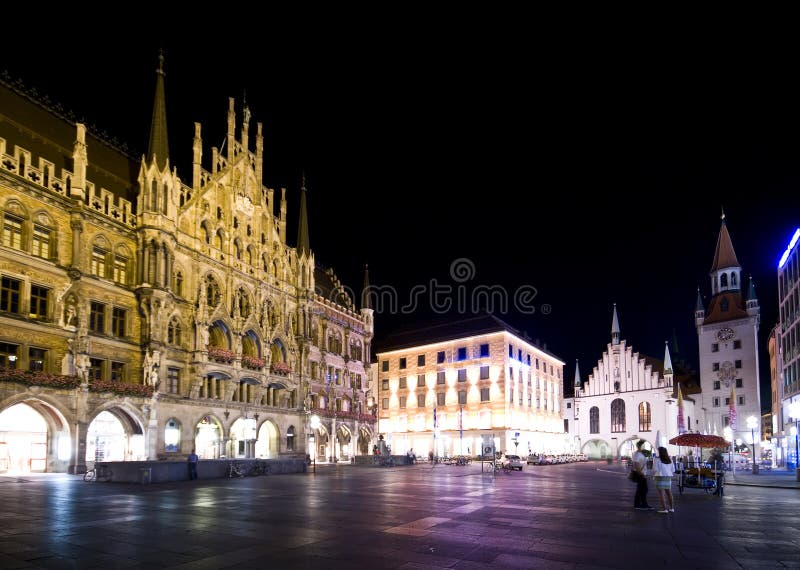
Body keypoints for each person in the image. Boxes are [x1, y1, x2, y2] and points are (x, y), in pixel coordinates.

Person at [631, 439, 654, 510]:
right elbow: (636, 465)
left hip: (642, 473)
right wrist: (642, 474)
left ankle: (638, 504)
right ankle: (643, 504)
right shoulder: (638, 454)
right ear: (640, 446)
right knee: (643, 490)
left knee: (641, 490)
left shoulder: (639, 453)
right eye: (644, 446)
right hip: (640, 474)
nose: (644, 448)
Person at [653, 446, 676, 513]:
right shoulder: (670, 460)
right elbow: (673, 470)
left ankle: (664, 509)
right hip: (668, 477)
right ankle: (671, 508)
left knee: (661, 494)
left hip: (660, 477)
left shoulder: (657, 459)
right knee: (669, 493)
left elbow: (655, 469)